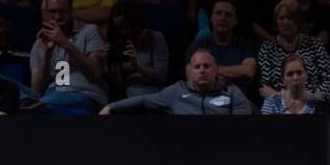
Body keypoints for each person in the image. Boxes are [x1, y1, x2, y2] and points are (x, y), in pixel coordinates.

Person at [99, 49, 254, 114]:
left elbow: (243, 126)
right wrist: (111, 107)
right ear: (190, 71)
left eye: (207, 66)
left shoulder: (231, 91)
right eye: (197, 66)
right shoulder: (176, 92)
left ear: (216, 69)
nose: (202, 70)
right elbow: (145, 101)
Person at [29, 0, 109, 112]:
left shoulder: (89, 32)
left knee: (40, 104)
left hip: (82, 93)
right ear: (46, 12)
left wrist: (64, 42)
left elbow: (95, 73)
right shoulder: (39, 44)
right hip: (52, 93)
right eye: (52, 12)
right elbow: (37, 89)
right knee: (8, 85)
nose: (57, 17)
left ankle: (31, 107)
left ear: (71, 11)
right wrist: (46, 53)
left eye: (62, 12)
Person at [256, 0, 330, 102]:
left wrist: (309, 98)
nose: (286, 22)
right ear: (276, 22)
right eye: (282, 18)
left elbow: (327, 80)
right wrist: (286, 100)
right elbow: (263, 87)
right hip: (279, 106)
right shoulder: (267, 48)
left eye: (291, 18)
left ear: (299, 21)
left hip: (313, 103)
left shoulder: (315, 44)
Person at [185, 0, 258, 89]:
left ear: (235, 21)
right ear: (211, 18)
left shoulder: (246, 46)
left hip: (237, 100)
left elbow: (248, 71)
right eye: (218, 13)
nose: (222, 18)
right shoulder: (197, 46)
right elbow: (191, 77)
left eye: (228, 14)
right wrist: (235, 74)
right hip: (204, 99)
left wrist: (206, 71)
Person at [104, 1, 168, 100]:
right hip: (127, 95)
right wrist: (110, 62)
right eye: (119, 29)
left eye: (126, 27)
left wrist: (137, 65)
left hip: (151, 93)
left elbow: (160, 78)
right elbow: (117, 85)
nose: (124, 32)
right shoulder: (118, 42)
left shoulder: (155, 37)